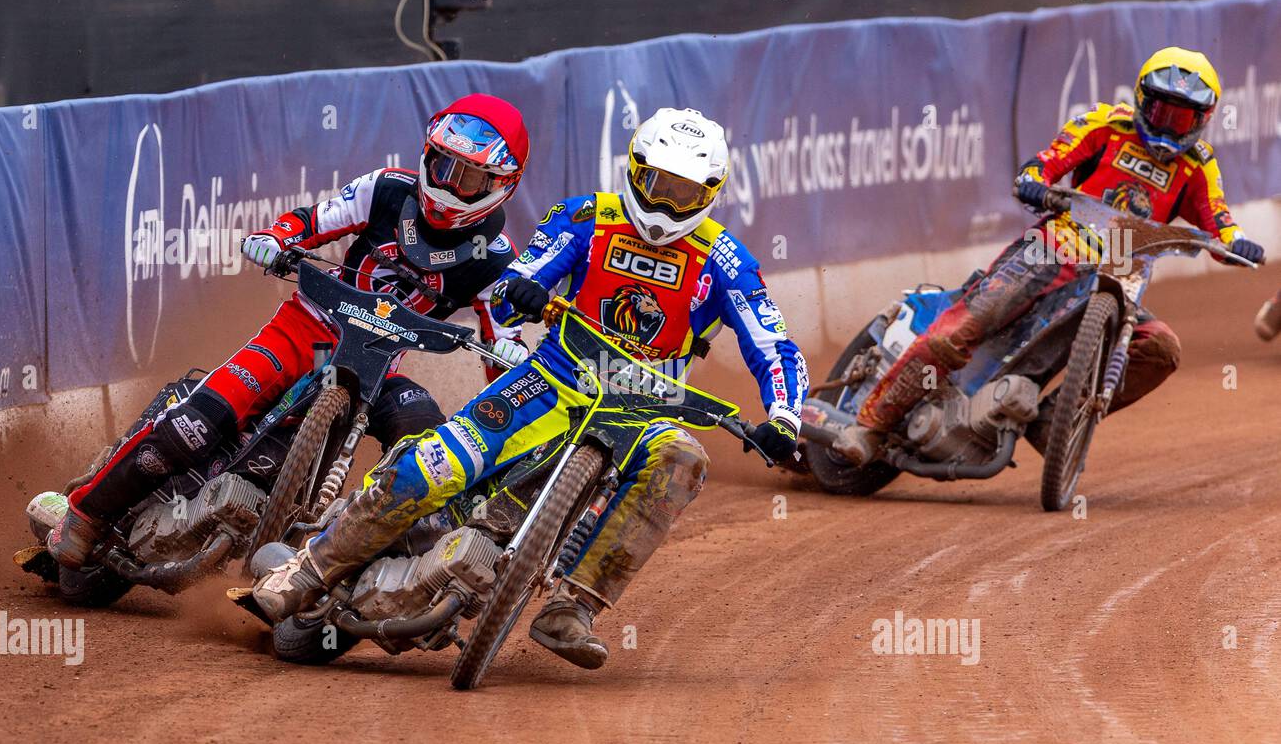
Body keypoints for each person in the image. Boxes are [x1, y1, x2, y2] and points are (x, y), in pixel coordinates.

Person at [253, 107, 809, 670]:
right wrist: (522, 290)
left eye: (683, 191)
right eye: (656, 184)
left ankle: (572, 607)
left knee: (684, 457)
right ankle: (307, 570)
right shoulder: (586, 217)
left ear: (710, 193)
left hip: (647, 406)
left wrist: (784, 418)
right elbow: (516, 277)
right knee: (437, 463)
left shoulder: (728, 261)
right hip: (551, 378)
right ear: (635, 172)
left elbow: (774, 347)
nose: (665, 204)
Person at [49, 93, 533, 570]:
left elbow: (498, 342)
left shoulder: (498, 259)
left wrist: (510, 356)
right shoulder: (386, 188)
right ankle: (86, 513)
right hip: (305, 330)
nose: (447, 182)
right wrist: (274, 239)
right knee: (197, 421)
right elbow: (312, 221)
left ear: (499, 184)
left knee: (426, 435)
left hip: (379, 368)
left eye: (466, 175)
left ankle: (350, 569)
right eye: (442, 163)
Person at [836, 46, 1266, 465]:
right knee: (965, 327)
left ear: (1203, 119)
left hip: (1120, 274)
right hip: (1053, 249)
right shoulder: (1104, 124)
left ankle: (1055, 418)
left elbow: (1220, 222)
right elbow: (1046, 162)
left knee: (1162, 349)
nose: (1169, 125)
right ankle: (870, 425)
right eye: (1161, 111)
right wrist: (1034, 182)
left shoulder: (1197, 165)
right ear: (1141, 99)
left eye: (1182, 116)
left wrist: (1236, 244)